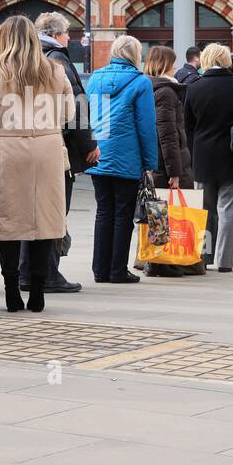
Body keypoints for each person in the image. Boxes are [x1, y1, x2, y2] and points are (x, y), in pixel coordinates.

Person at [0, 16, 73, 312]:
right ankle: (38, 289)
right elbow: (68, 113)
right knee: (43, 221)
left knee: (7, 222)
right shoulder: (55, 70)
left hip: (6, 151)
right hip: (47, 150)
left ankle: (12, 289)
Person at [20, 11, 99, 295]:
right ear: (55, 34)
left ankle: (26, 272)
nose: (69, 39)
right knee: (53, 211)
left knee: (31, 212)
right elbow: (75, 106)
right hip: (55, 147)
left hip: (24, 145)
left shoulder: (26, 55)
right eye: (67, 33)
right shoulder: (58, 58)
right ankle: (47, 273)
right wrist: (89, 145)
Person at [84, 35, 158, 283]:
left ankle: (99, 270)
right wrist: (149, 162)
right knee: (123, 213)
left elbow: (86, 116)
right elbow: (146, 126)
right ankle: (117, 270)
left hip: (98, 154)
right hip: (127, 156)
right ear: (136, 55)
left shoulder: (95, 78)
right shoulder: (140, 82)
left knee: (103, 211)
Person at [183, 44, 233, 272]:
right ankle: (225, 261)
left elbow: (188, 126)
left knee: (205, 211)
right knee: (230, 209)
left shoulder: (194, 87)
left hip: (203, 155)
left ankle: (205, 256)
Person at [142, 45, 192, 278]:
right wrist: (175, 171)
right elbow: (167, 134)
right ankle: (160, 261)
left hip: (154, 161)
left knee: (157, 209)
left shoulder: (150, 87)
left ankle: (157, 258)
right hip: (164, 162)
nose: (176, 66)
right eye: (173, 62)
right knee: (162, 211)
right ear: (164, 64)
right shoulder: (165, 91)